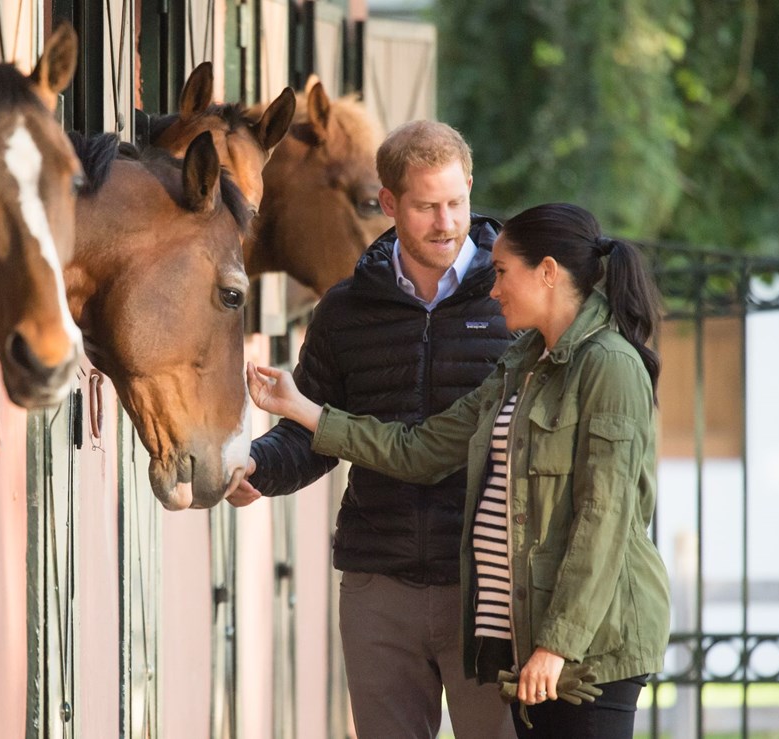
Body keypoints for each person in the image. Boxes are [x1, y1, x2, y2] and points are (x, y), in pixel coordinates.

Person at [245, 202, 672, 739]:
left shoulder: (608, 364)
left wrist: (557, 645)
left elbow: (603, 519)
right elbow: (421, 449)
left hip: (588, 649)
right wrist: (302, 409)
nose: (492, 291)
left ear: (547, 271)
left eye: (500, 273)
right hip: (532, 644)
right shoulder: (522, 364)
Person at [228, 120, 516, 738]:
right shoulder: (345, 309)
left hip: (489, 588)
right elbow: (311, 425)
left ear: (470, 186)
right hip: (378, 585)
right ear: (388, 204)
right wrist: (260, 465)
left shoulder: (512, 300)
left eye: (456, 203)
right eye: (425, 208)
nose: (445, 223)